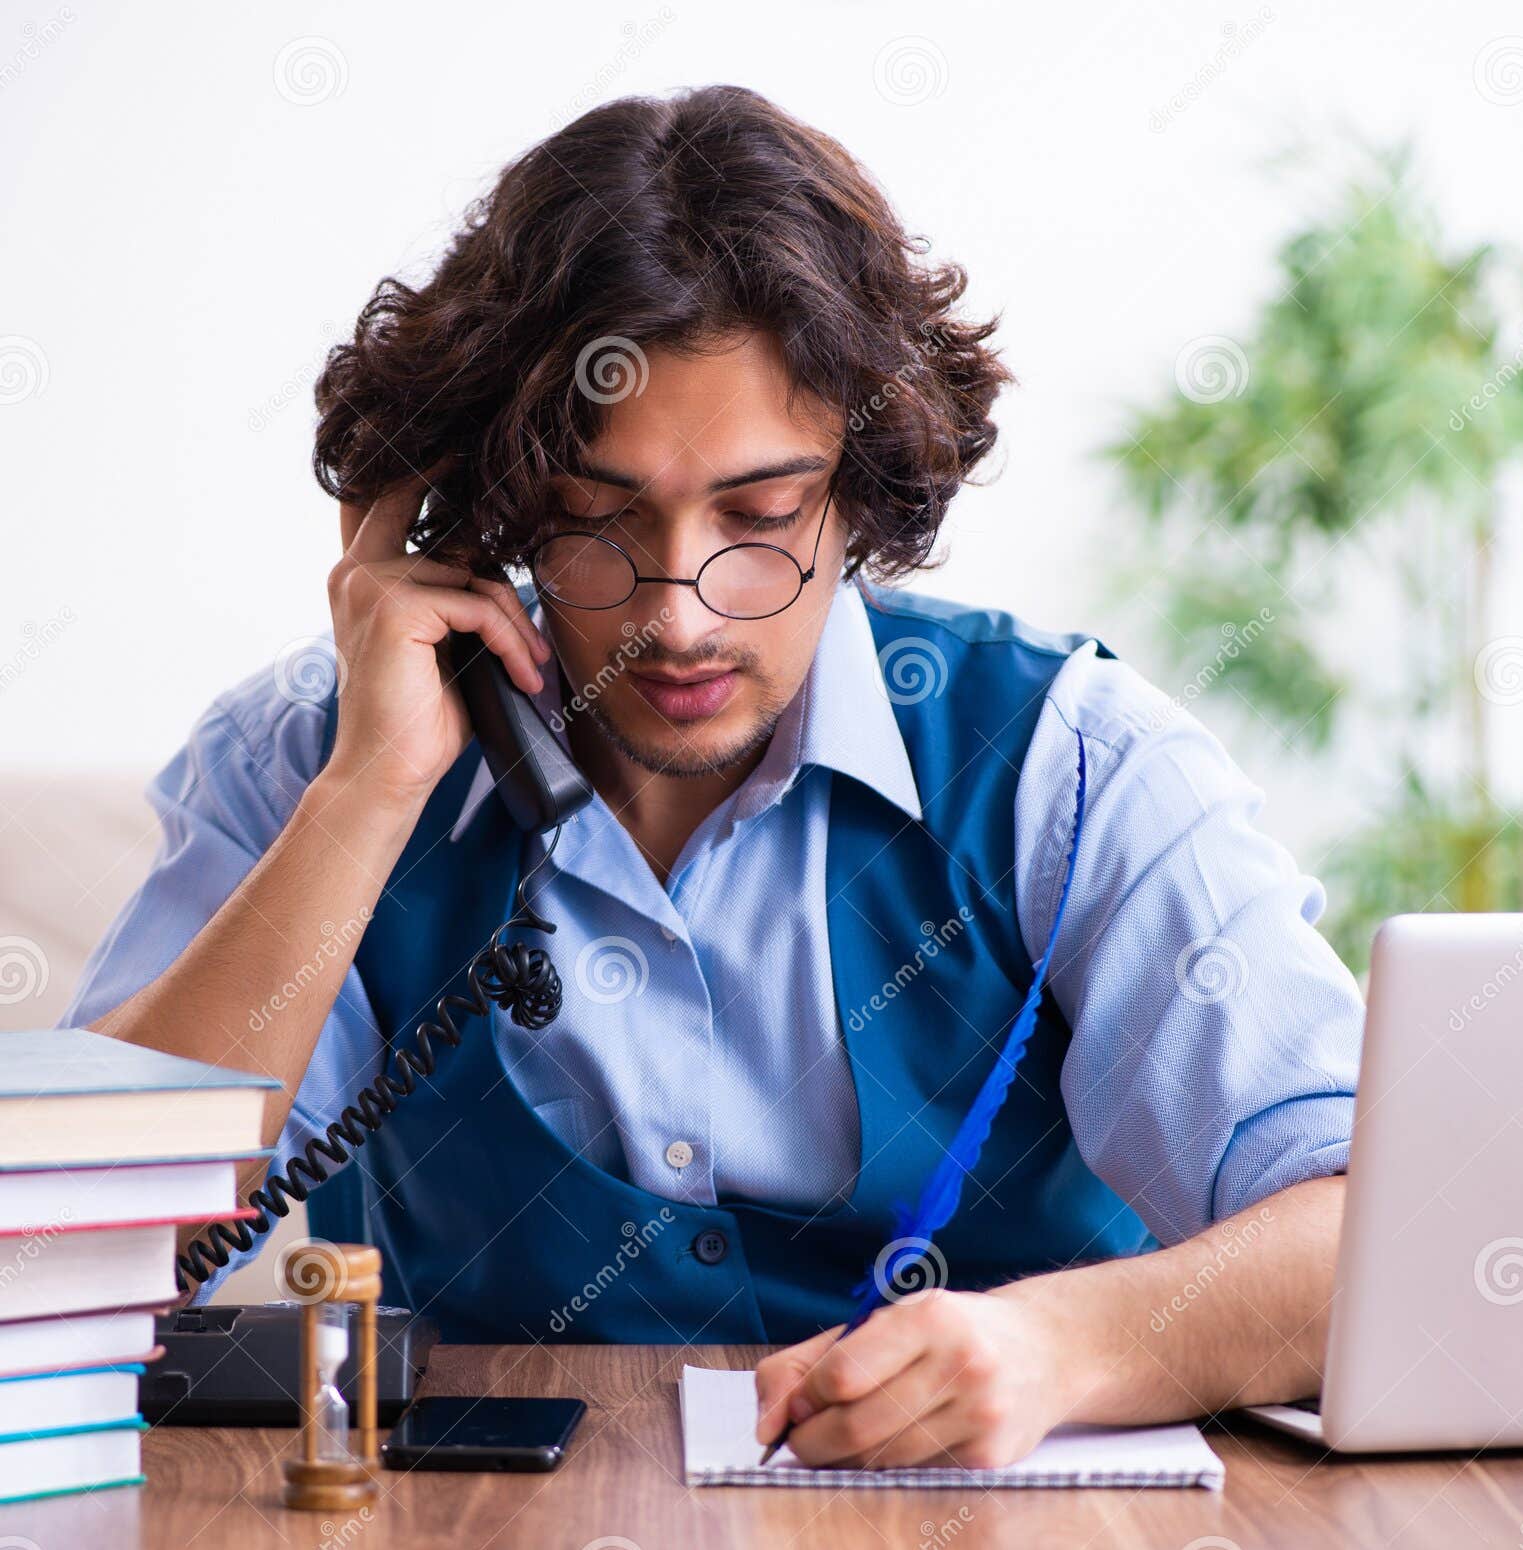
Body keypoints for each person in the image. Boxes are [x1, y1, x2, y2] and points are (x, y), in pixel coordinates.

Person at [66, 85, 1363, 1471]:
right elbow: (79, 1266)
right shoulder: (306, 764)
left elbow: (1381, 1234)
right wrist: (367, 796)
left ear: (858, 491)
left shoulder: (1072, 763)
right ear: (485, 507)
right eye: (596, 520)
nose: (681, 615)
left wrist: (1071, 1343)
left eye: (760, 517)